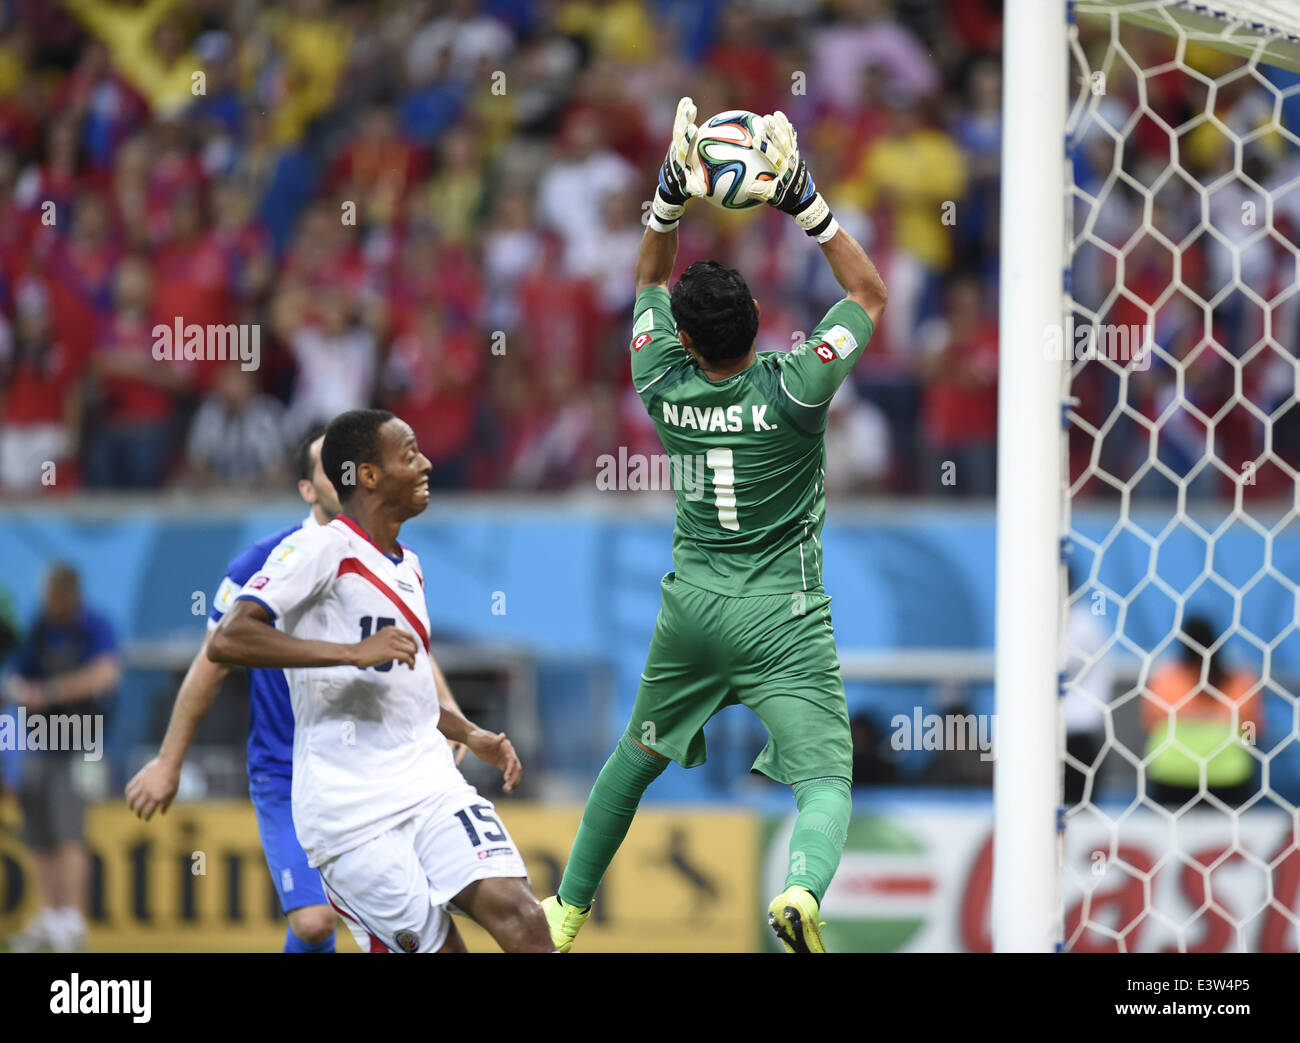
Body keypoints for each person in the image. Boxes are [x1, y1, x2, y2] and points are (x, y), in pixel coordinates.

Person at [542, 100, 888, 954]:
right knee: (827, 778)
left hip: (693, 611)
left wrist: (669, 193)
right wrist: (802, 197)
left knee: (634, 758)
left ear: (688, 344)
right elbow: (867, 291)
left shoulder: (660, 379)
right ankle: (801, 890)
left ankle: (563, 916)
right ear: (761, 324)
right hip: (782, 617)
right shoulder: (797, 387)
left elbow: (648, 283)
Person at [207, 409, 551, 953]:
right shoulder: (319, 548)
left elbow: (400, 686)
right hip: (350, 814)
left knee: (523, 918)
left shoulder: (407, 565)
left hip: (427, 784)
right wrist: (350, 653)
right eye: (410, 454)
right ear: (368, 475)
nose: (427, 463)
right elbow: (228, 638)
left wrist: (466, 732)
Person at [127, 429, 350, 952]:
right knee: (315, 921)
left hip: (362, 767)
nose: (341, 474)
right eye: (327, 466)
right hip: (286, 772)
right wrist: (168, 761)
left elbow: (416, 653)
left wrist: (453, 721)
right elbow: (212, 663)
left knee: (395, 919)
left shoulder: (387, 560)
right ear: (306, 488)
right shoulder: (260, 563)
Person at [3, 563, 121, 952]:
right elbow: (18, 678)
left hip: (83, 743)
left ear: (66, 596)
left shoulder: (94, 627)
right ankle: (50, 914)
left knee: (69, 826)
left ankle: (72, 918)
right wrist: (24, 693)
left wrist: (50, 692)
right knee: (39, 829)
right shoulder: (39, 629)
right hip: (42, 744)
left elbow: (105, 675)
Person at [1142, 616, 1261, 809]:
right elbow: (1254, 731)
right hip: (1230, 776)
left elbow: (1150, 726)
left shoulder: (1164, 680)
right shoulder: (1240, 682)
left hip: (1172, 774)